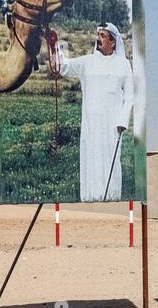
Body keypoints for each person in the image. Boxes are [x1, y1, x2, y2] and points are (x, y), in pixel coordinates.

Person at [53, 23, 139, 201]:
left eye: (102, 36)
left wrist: (123, 121)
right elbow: (63, 67)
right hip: (91, 123)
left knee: (110, 160)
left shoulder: (123, 65)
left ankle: (111, 196)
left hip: (112, 123)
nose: (98, 39)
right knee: (91, 156)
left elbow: (130, 96)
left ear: (113, 42)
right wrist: (55, 45)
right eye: (98, 35)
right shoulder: (88, 62)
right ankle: (91, 196)